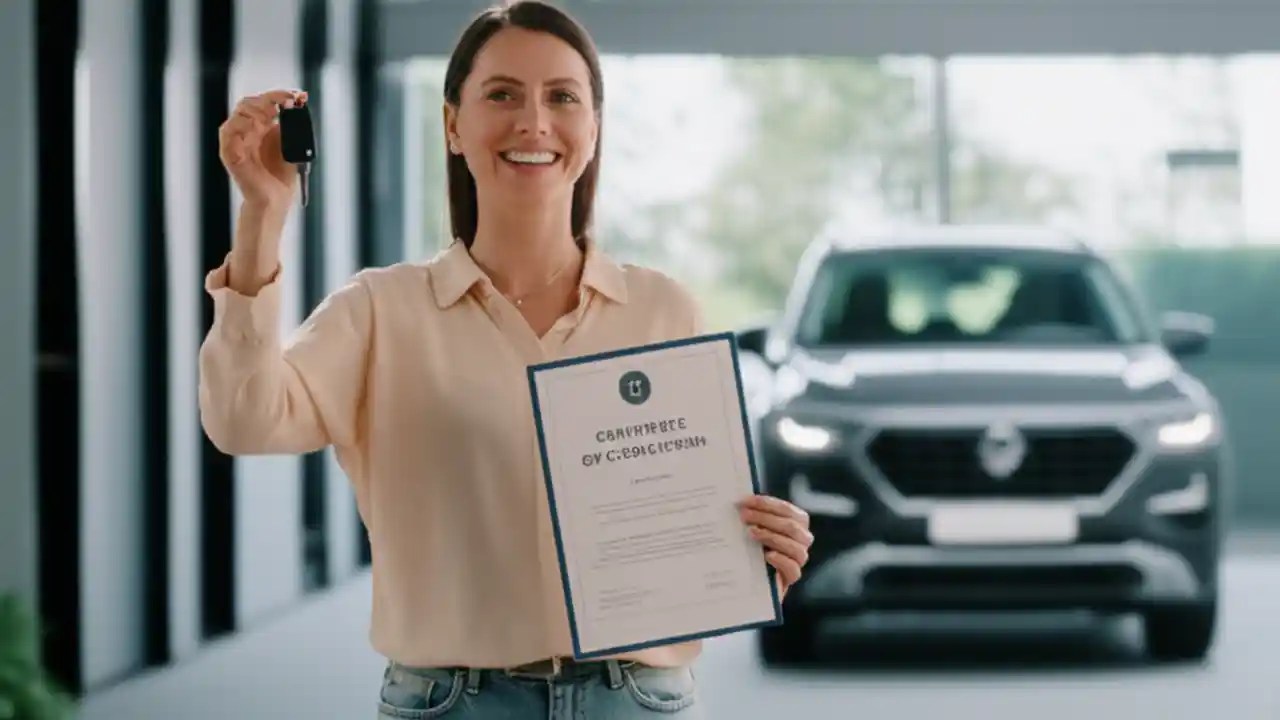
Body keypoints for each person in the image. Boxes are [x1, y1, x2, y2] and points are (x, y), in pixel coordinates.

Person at [202, 1, 814, 717]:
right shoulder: (380, 312)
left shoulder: (662, 311)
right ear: (452, 126)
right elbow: (243, 422)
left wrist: (758, 552)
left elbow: (687, 520)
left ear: (593, 129)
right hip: (452, 703)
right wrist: (261, 218)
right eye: (502, 94)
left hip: (638, 701)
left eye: (562, 96)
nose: (534, 122)